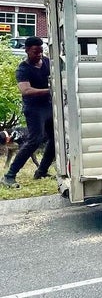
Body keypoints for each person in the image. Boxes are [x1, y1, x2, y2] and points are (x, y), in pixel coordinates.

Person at [2, 37, 55, 188]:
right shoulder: (23, 69)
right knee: (34, 140)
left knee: (55, 139)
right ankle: (9, 176)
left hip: (49, 106)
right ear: (26, 50)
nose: (39, 54)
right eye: (35, 52)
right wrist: (50, 90)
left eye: (40, 51)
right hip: (34, 109)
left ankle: (41, 171)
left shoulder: (46, 62)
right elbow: (25, 90)